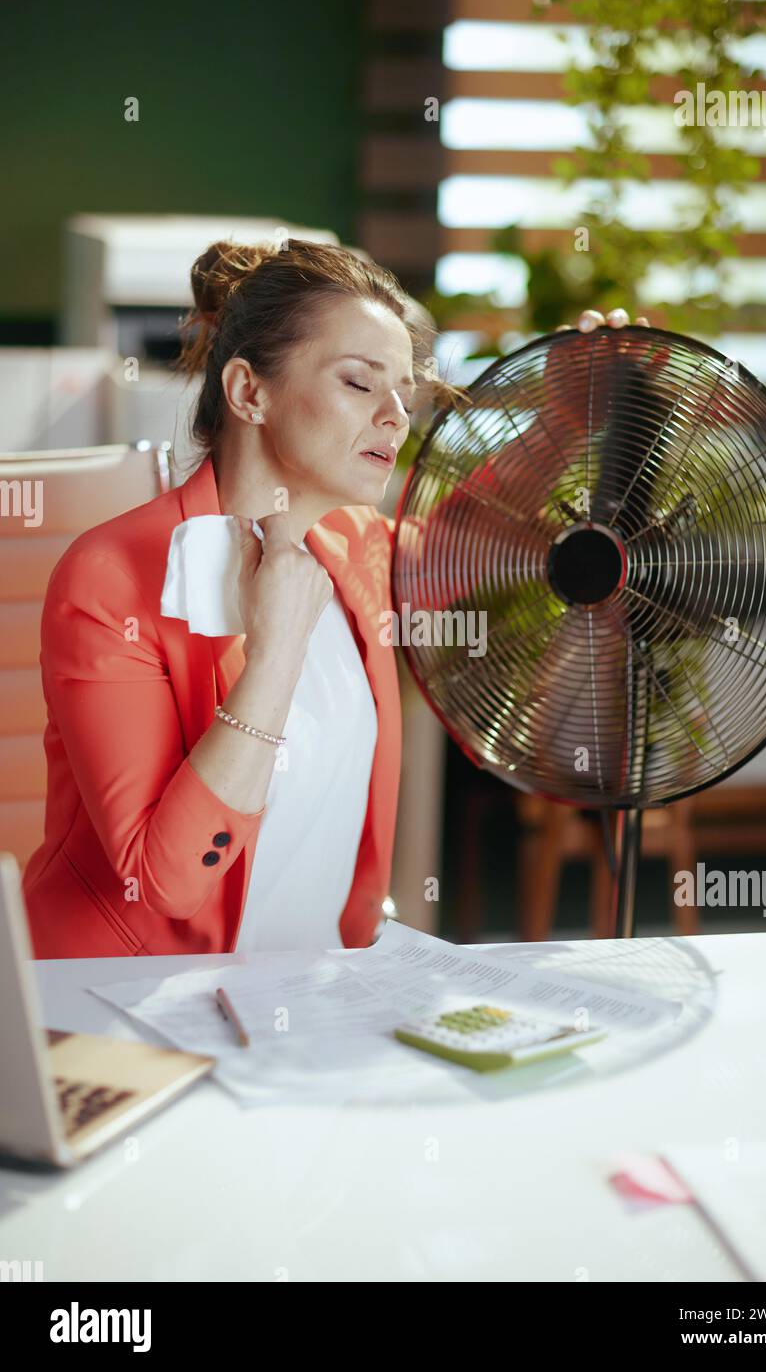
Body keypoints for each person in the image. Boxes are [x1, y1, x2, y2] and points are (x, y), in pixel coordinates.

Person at [23, 233, 645, 958]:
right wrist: (276, 658)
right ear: (249, 392)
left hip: (312, 994)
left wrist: (568, 417)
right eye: (359, 383)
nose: (396, 416)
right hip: (129, 1015)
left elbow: (462, 542)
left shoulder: (352, 544)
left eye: (403, 395)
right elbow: (166, 880)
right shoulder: (111, 576)